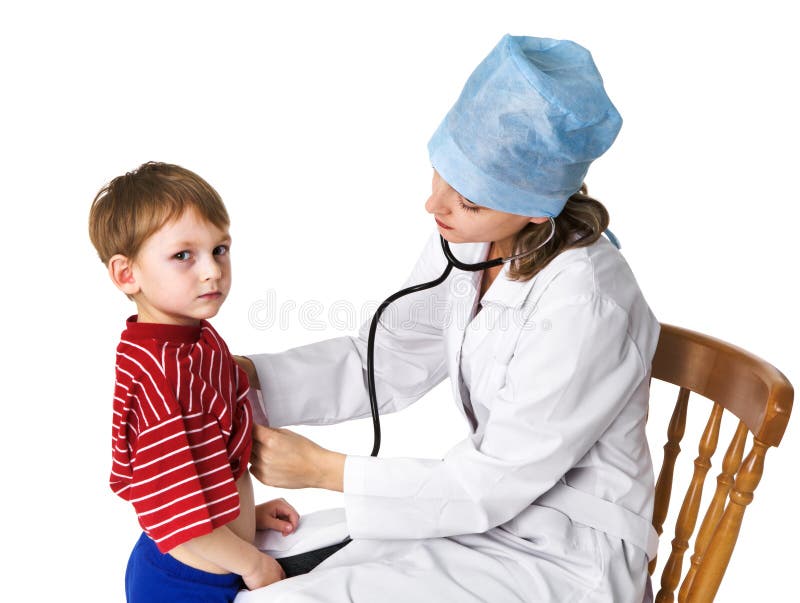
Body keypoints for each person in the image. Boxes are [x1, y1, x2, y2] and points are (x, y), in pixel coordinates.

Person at [236, 34, 660, 602]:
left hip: (563, 556)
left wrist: (323, 469)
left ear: (538, 206)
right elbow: (388, 358)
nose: (434, 206)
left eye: (469, 199)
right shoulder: (476, 241)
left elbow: (492, 480)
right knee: (249, 565)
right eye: (441, 171)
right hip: (484, 517)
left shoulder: (587, 303)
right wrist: (243, 378)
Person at [88, 162, 300, 602]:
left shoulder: (192, 338)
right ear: (128, 274)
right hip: (185, 585)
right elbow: (174, 514)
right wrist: (252, 563)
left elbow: (205, 463)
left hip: (214, 556)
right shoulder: (164, 376)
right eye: (184, 255)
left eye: (219, 249)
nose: (212, 271)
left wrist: (247, 516)